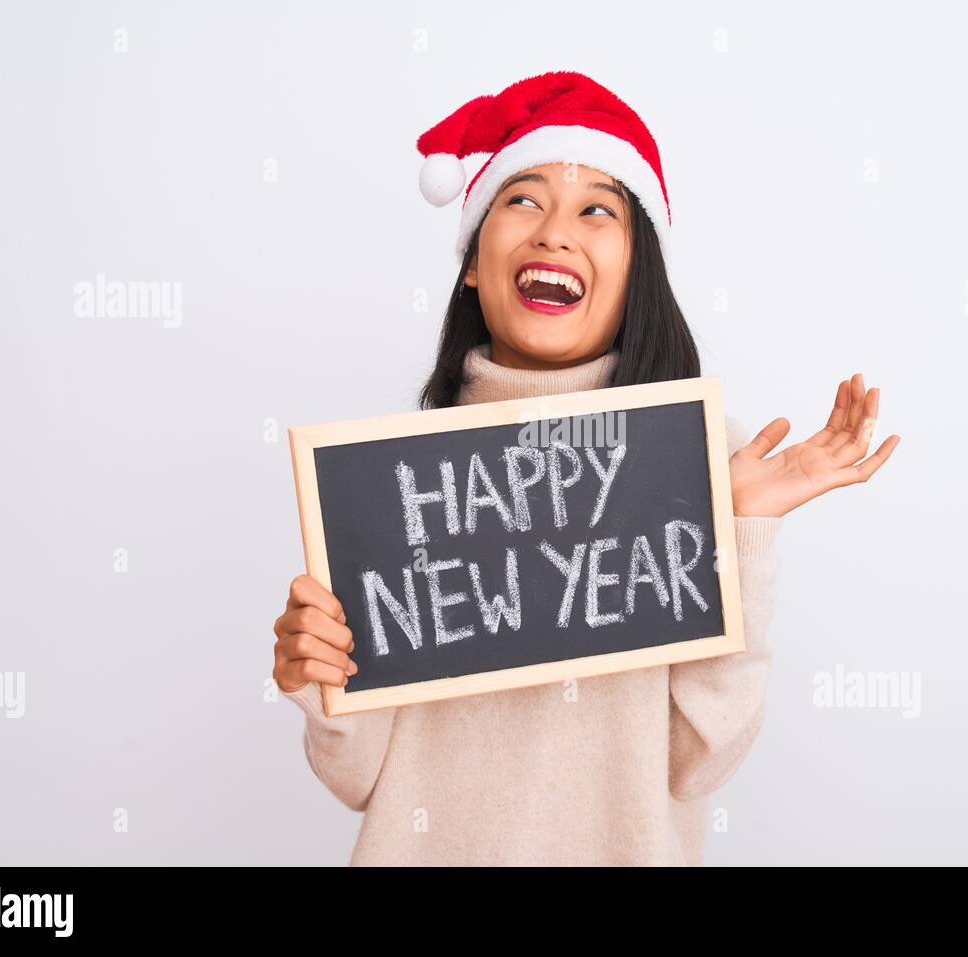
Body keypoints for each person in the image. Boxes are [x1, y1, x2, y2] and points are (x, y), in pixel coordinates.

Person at [271, 70, 898, 865]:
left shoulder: (697, 462)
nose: (554, 233)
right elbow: (355, 774)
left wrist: (739, 537)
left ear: (639, 267)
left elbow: (702, 757)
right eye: (522, 200)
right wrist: (319, 672)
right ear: (472, 261)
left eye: (597, 209)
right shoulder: (400, 483)